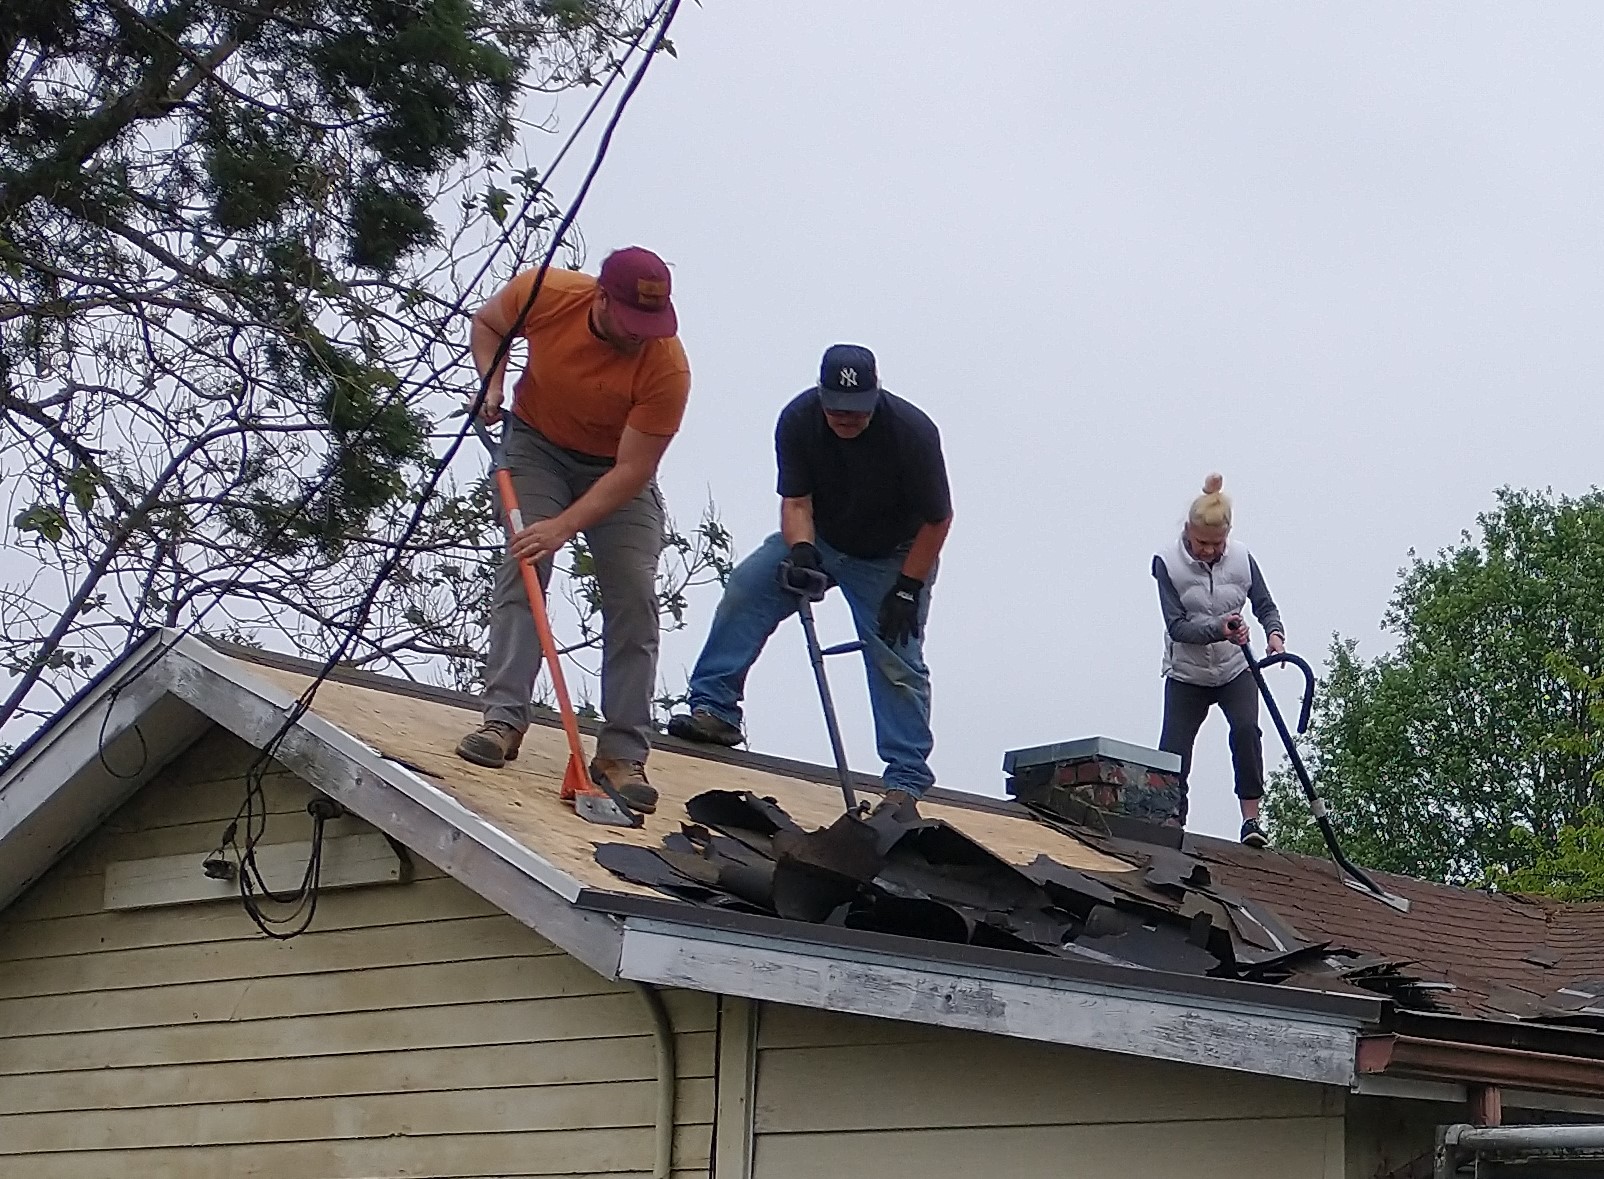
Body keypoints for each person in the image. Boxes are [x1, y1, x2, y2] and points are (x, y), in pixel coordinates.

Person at [454, 247, 690, 815]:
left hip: (615, 472)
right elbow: (488, 324)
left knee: (634, 591)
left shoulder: (666, 368)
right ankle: (503, 721)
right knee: (526, 563)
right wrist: (492, 382)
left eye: (649, 325)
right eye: (631, 321)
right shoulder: (546, 293)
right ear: (601, 297)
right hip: (536, 447)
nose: (640, 336)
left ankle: (622, 755)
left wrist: (564, 525)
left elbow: (634, 470)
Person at [668, 344, 953, 810]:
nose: (847, 418)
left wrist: (908, 587)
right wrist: (801, 550)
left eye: (857, 410)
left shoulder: (912, 433)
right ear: (821, 396)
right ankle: (714, 710)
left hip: (893, 556)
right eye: (837, 409)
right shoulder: (799, 419)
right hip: (821, 535)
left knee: (897, 661)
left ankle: (905, 780)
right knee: (746, 588)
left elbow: (937, 519)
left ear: (875, 394)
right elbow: (796, 501)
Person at [1152, 473, 1285, 847]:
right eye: (1201, 543)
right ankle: (1171, 821)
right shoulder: (1167, 563)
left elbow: (1264, 604)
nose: (1209, 550)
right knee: (1174, 749)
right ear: (1188, 531)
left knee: (1247, 732)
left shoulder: (1242, 558)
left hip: (1234, 668)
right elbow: (1177, 626)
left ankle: (1252, 821)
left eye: (1217, 543)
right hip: (1187, 674)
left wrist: (1275, 633)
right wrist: (1219, 628)